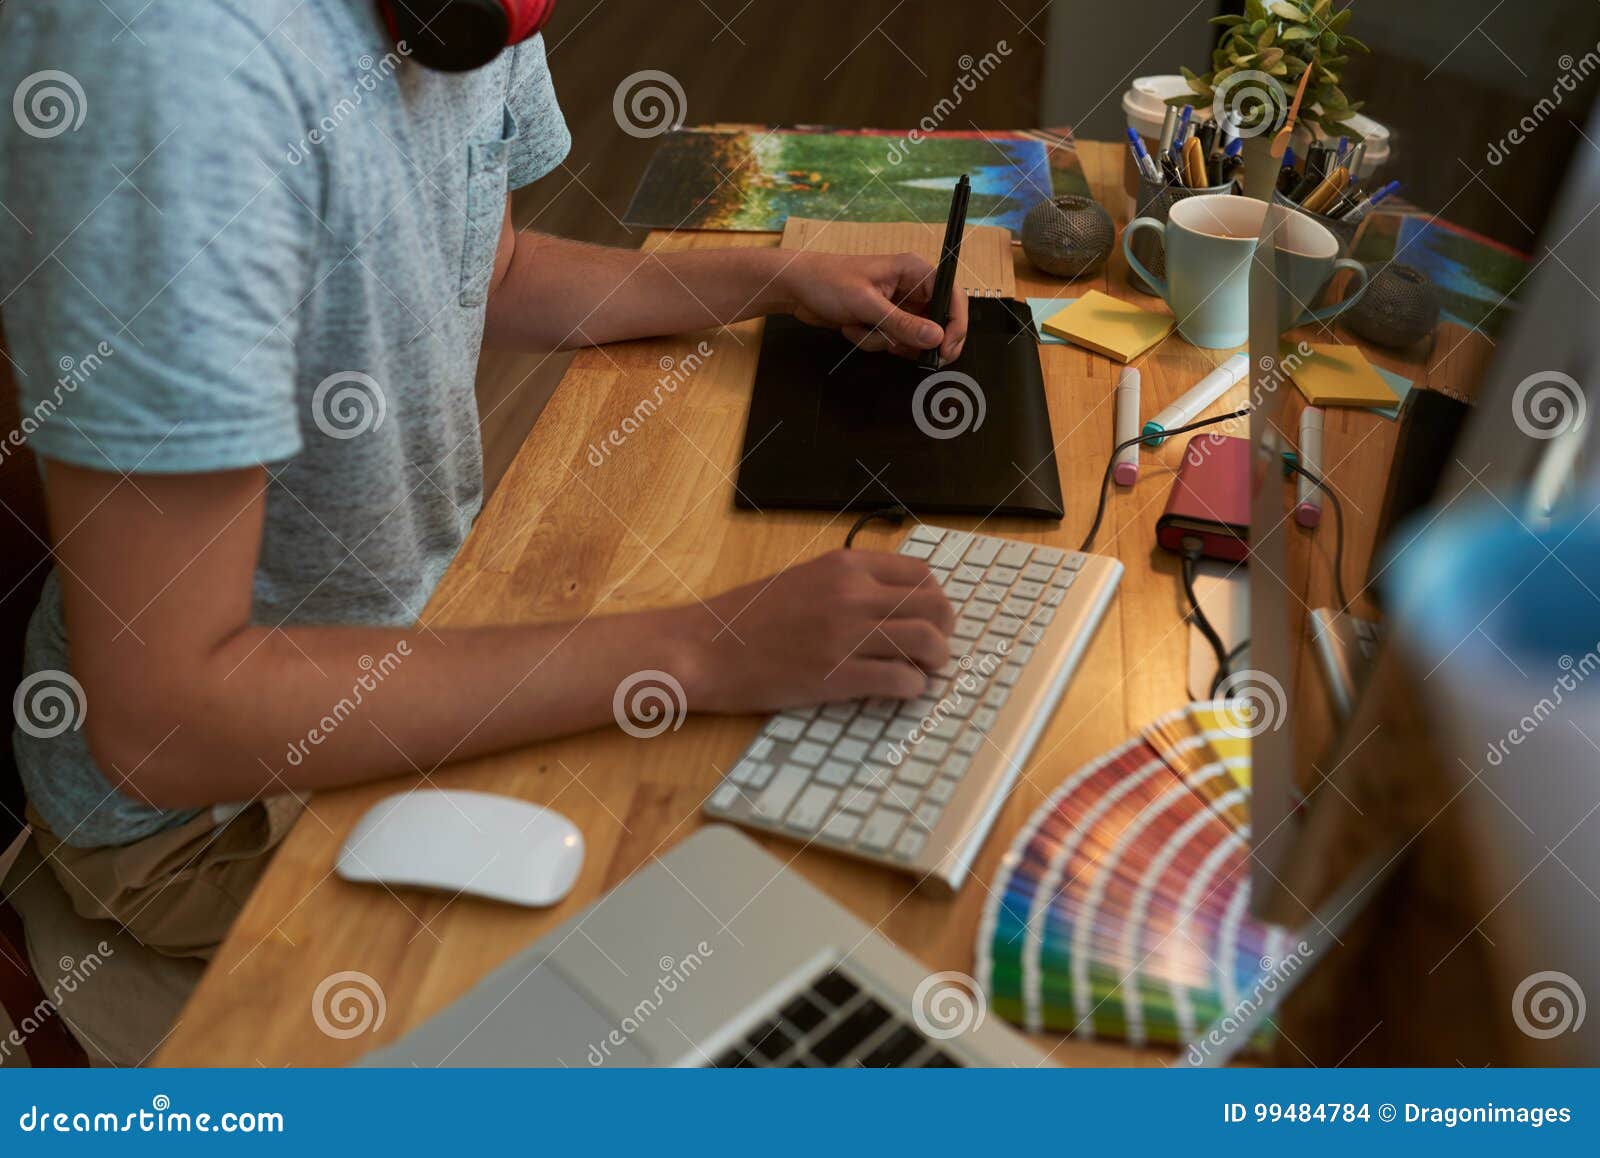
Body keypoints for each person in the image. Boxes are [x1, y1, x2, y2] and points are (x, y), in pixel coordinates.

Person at [0, 0, 962, 1043]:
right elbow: (166, 722)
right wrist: (700, 647)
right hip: (207, 815)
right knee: (720, 943)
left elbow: (485, 271)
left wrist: (767, 280)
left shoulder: (482, 12)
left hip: (413, 634)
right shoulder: (175, 72)